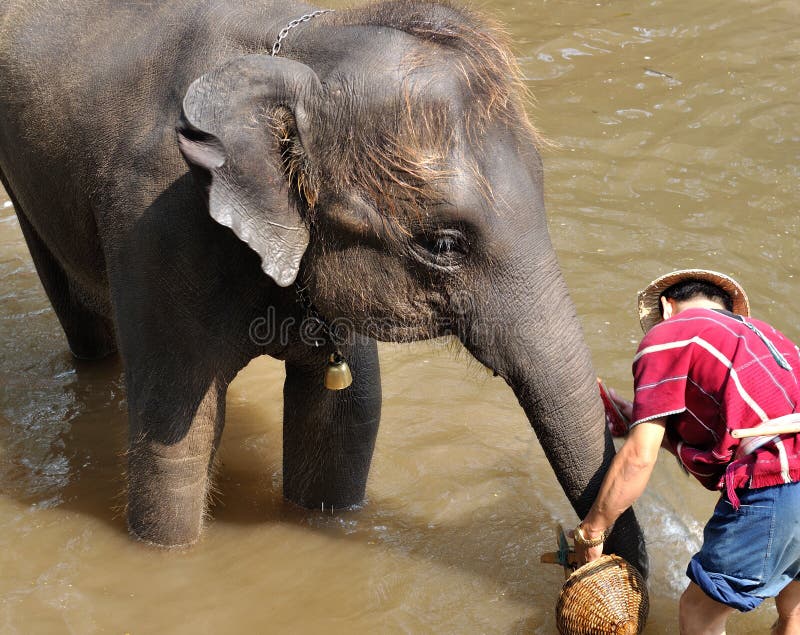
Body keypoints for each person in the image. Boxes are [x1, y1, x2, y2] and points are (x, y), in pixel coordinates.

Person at [574, 269, 800, 635]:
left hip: (779, 481)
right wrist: (637, 415)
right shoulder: (768, 338)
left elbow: (638, 458)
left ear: (666, 307)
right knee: (792, 614)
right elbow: (735, 429)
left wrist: (592, 529)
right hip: (792, 471)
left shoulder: (670, 334)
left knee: (698, 611)